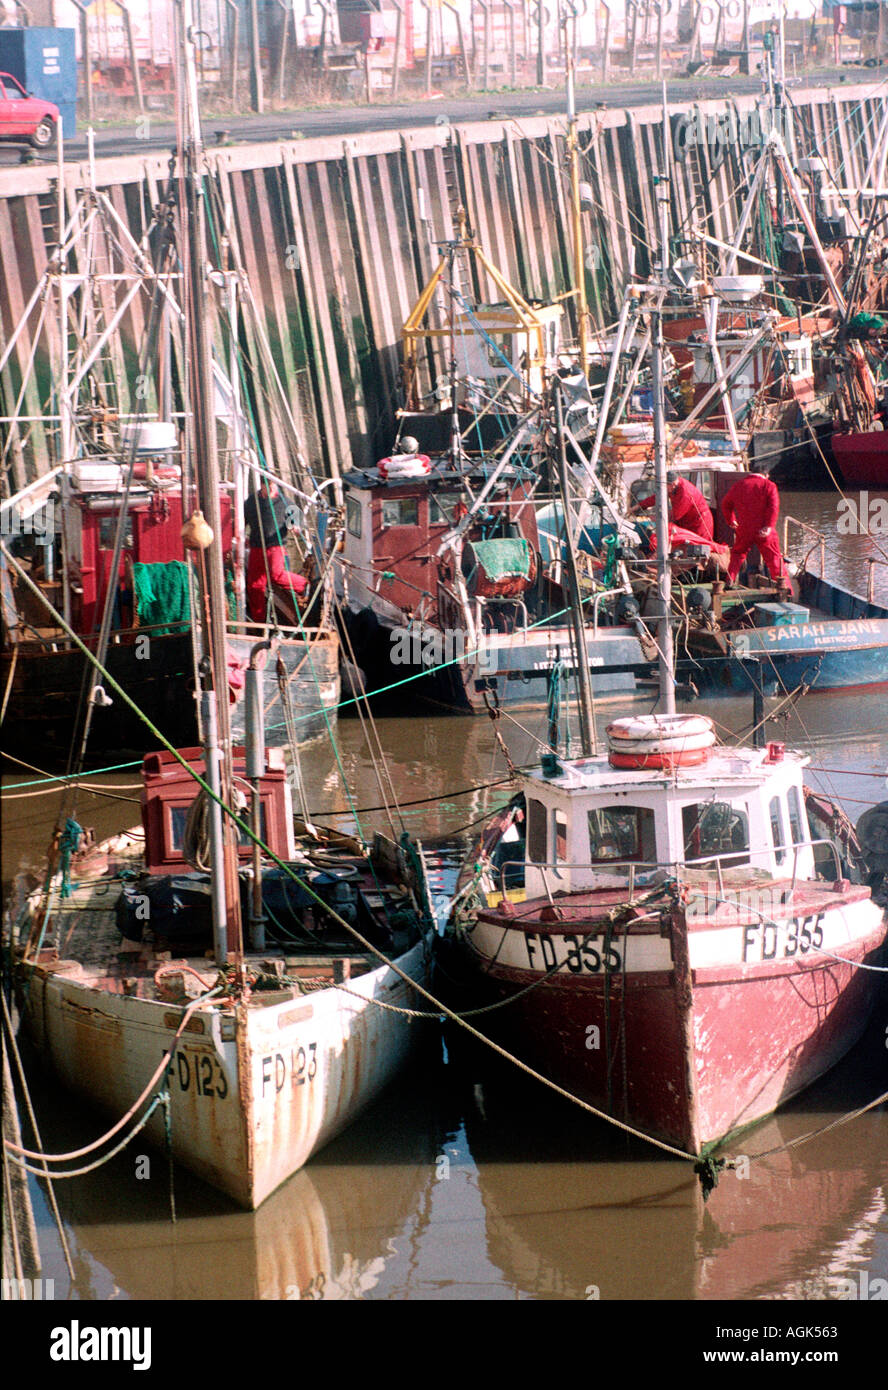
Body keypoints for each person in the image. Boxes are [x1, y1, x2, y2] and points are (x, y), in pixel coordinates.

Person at [243, 478, 309, 623]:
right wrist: (240, 534)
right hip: (256, 546)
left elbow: (296, 521)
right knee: (255, 585)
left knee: (276, 575)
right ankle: (258, 621)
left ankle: (304, 585)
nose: (274, 490)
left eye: (274, 487)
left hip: (276, 545)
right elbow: (242, 520)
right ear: (262, 487)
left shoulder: (285, 503)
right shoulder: (252, 502)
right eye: (270, 487)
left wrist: (295, 527)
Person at [720, 473, 787, 587]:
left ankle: (730, 579)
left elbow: (725, 504)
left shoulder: (738, 485)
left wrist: (731, 520)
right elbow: (773, 507)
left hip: (744, 529)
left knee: (737, 554)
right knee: (774, 558)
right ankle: (785, 587)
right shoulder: (769, 485)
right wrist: (769, 526)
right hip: (763, 530)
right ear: (766, 475)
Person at [632, 471, 714, 541]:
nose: (663, 488)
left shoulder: (685, 493)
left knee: (698, 550)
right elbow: (657, 497)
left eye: (665, 486)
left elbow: (676, 515)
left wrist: (658, 517)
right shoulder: (672, 487)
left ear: (672, 484)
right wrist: (639, 506)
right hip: (686, 523)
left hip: (699, 524)